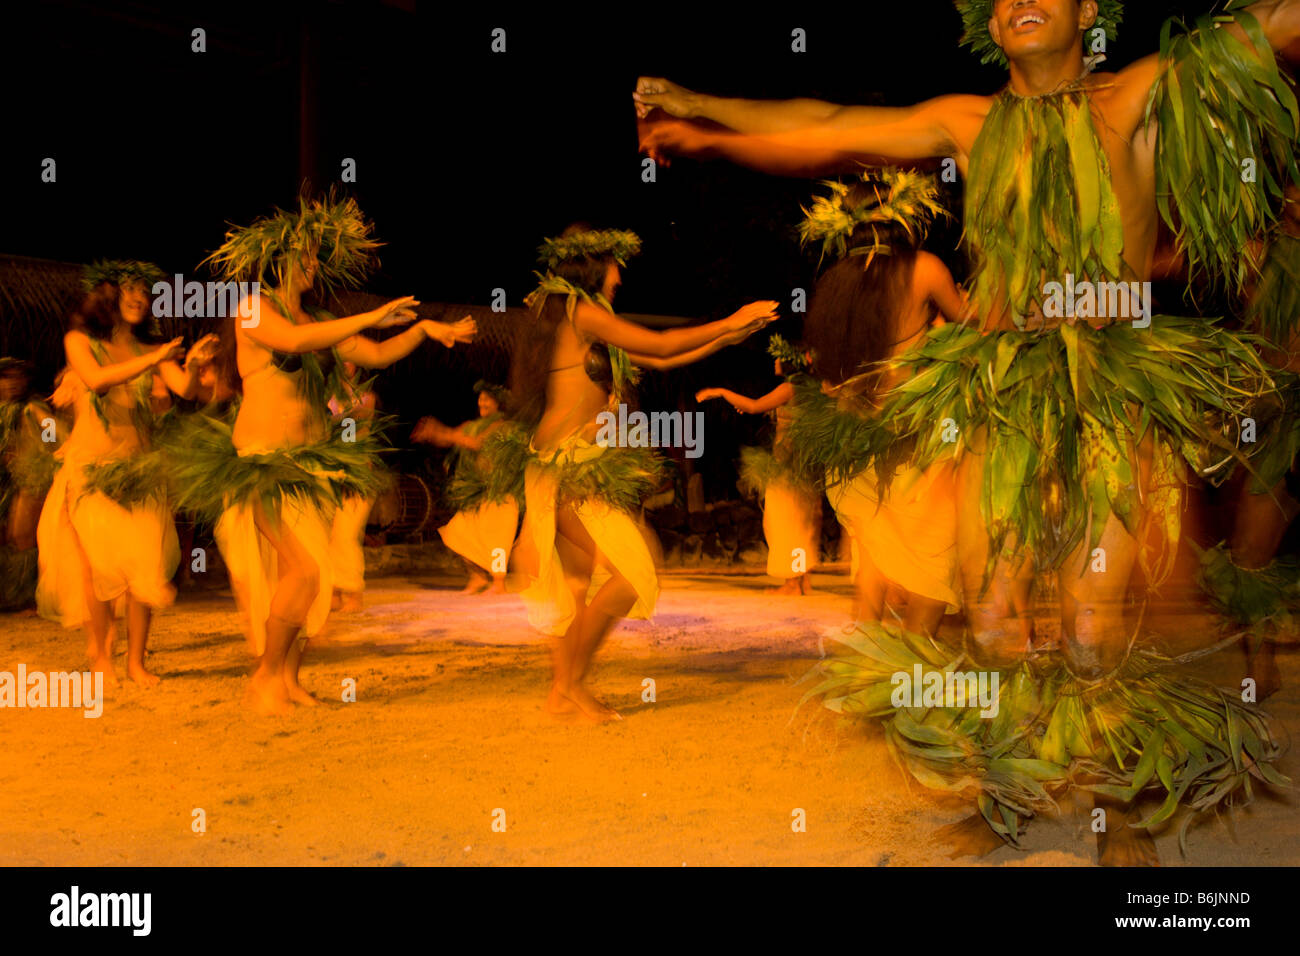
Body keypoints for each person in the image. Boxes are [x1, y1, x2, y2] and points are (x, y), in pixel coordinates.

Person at [635, 0, 1300, 863]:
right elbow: (831, 124)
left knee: (1095, 633)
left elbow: (1274, 20)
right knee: (989, 618)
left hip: (1110, 390)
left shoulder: (1137, 97)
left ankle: (1114, 809)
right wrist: (705, 107)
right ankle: (1002, 792)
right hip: (998, 393)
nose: (1019, 1)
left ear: (1087, 10)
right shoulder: (969, 123)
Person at [172, 194, 475, 714]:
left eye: (314, 255)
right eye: (306, 255)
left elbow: (374, 353)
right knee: (303, 573)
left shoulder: (315, 315)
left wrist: (422, 330)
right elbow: (293, 341)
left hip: (310, 467)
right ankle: (263, 678)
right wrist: (372, 315)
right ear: (279, 261)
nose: (314, 264)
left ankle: (288, 678)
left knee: (316, 580)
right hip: (262, 466)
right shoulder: (254, 310)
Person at [506, 225, 776, 721]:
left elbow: (655, 355)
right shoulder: (579, 312)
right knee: (634, 568)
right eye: (616, 266)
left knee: (574, 584)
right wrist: (729, 318)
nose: (621, 277)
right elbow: (663, 343)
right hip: (569, 467)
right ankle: (571, 685)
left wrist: (727, 336)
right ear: (594, 266)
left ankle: (561, 691)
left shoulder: (582, 319)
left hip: (565, 465)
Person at [786, 169, 966, 634]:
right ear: (903, 219)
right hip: (912, 442)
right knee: (934, 562)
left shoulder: (833, 284)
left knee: (876, 561)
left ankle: (868, 667)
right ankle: (907, 668)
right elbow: (976, 323)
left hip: (852, 450)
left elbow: (824, 372)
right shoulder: (924, 268)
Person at [36, 260, 218, 687]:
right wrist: (153, 358)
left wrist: (191, 364)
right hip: (93, 469)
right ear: (108, 293)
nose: (140, 297)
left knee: (145, 569)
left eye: (146, 291)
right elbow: (97, 381)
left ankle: (136, 662)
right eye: (131, 288)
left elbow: (185, 391)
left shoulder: (146, 348)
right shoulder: (79, 341)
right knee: (99, 569)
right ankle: (102, 656)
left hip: (140, 470)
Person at [697, 335, 822, 596]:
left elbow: (753, 406)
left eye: (778, 355)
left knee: (784, 522)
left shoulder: (789, 388)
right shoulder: (808, 388)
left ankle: (792, 582)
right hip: (801, 467)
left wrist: (720, 392)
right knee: (800, 522)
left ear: (789, 360)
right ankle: (802, 580)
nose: (774, 360)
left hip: (787, 467)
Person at [415, 380, 519, 595]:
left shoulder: (503, 426)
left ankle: (499, 582)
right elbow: (456, 437)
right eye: (480, 397)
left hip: (500, 492)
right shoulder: (470, 426)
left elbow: (476, 443)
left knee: (498, 541)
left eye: (487, 398)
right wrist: (436, 433)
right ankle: (477, 577)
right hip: (477, 494)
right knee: (458, 533)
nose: (482, 401)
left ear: (498, 403)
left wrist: (444, 433)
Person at [0, 359, 62, 611]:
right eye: (7, 378)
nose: (14, 383)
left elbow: (54, 435)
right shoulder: (3, 411)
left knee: (23, 538)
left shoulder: (33, 409)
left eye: (19, 377)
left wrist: (41, 454)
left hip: (31, 479)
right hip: (7, 482)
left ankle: (26, 596)